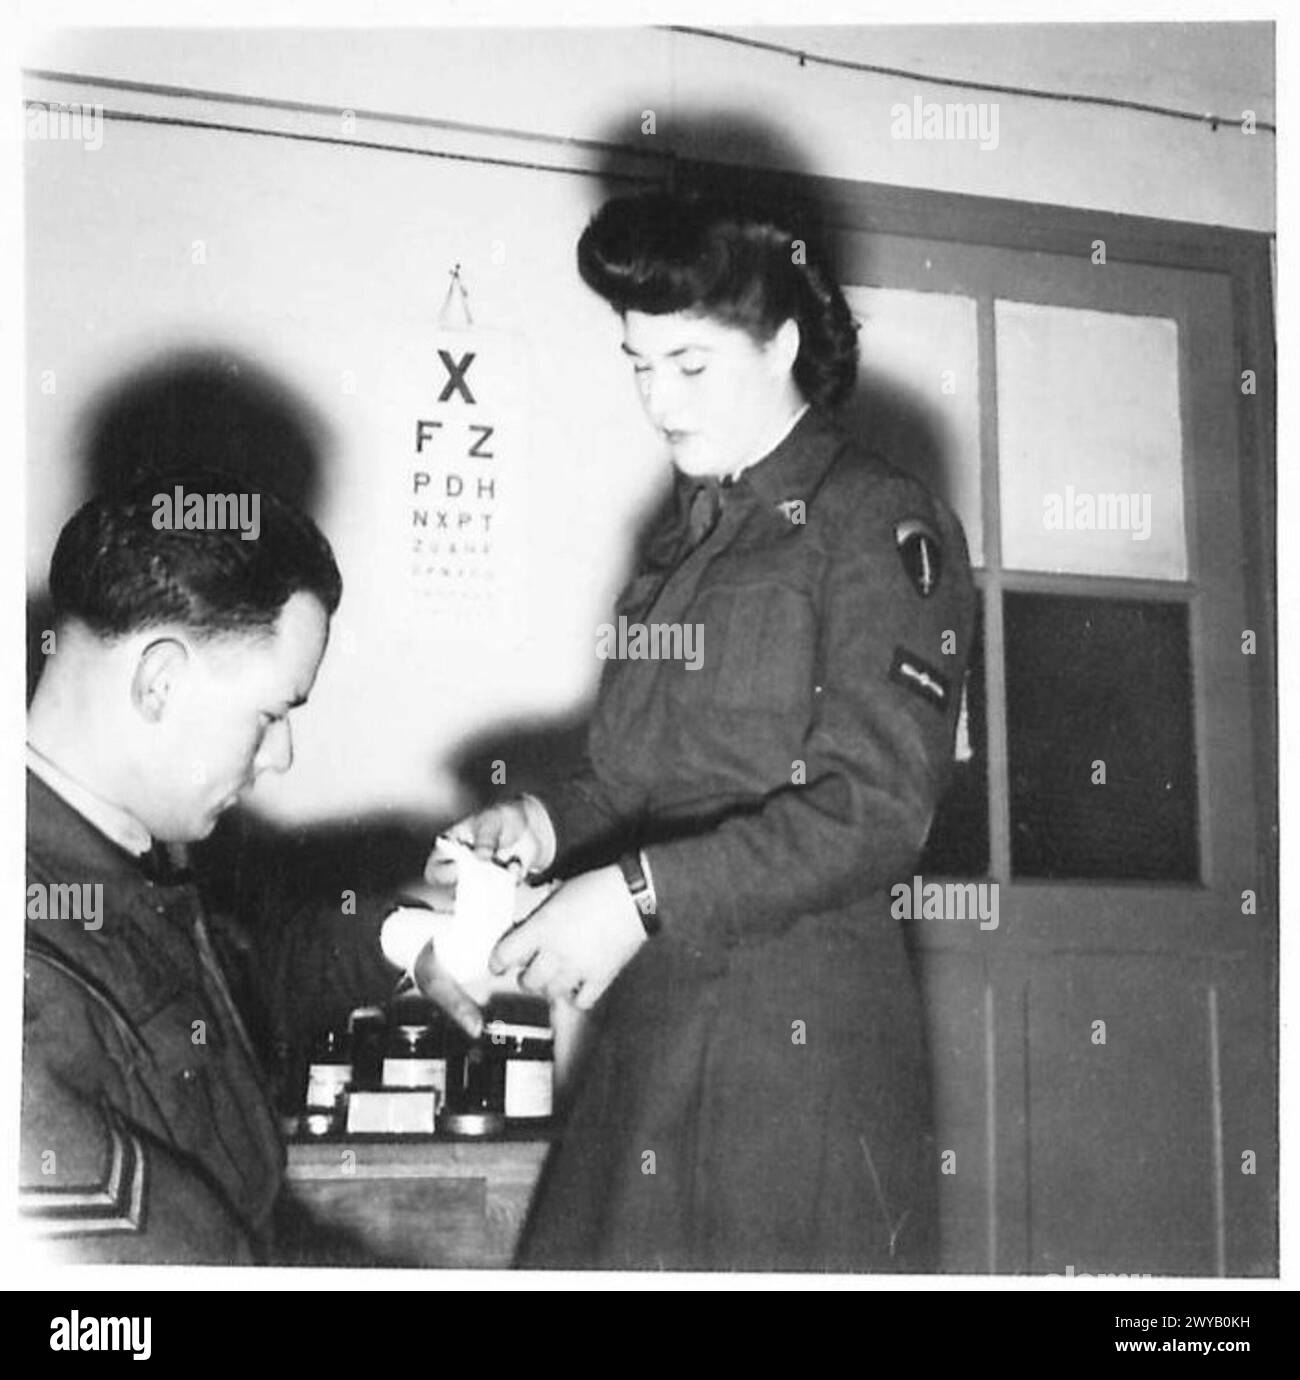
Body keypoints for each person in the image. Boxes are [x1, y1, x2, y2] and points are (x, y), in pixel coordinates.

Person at [429, 189, 975, 1272]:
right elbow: (629, 781)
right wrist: (537, 826)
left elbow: (876, 811)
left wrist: (636, 895)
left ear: (782, 344)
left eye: (689, 364)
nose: (657, 400)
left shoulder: (877, 518)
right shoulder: (681, 542)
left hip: (796, 1042)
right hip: (657, 1016)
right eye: (638, 364)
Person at [22, 474, 475, 1263]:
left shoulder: (130, 855)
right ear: (159, 683)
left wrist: (407, 940)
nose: (281, 756)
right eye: (270, 715)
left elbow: (240, 989)